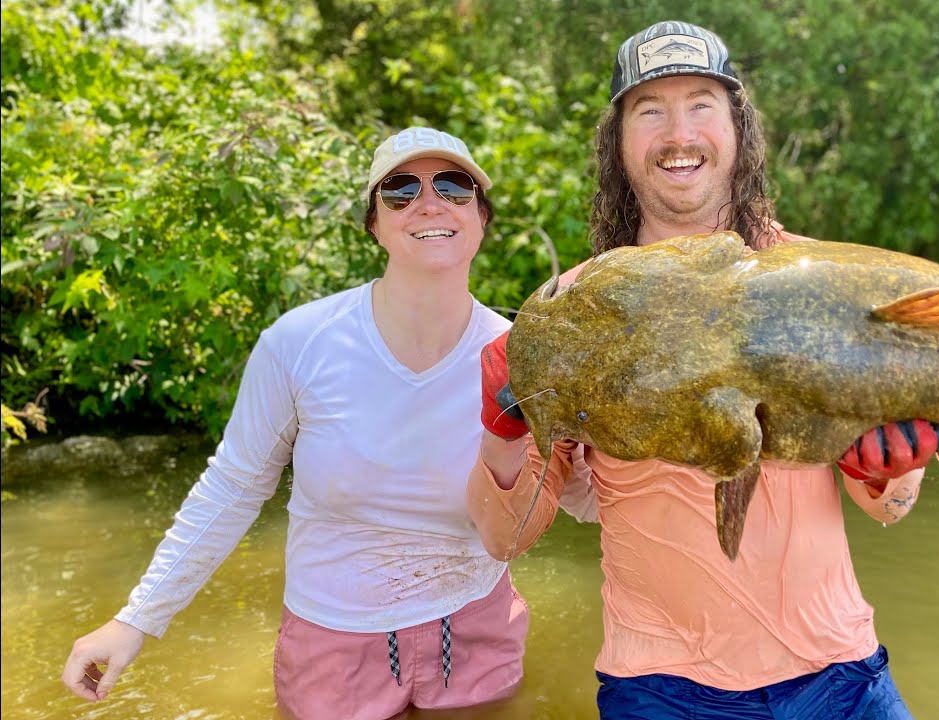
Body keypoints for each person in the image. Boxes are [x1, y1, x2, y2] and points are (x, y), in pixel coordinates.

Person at [467, 20, 939, 720]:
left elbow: (891, 510)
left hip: (843, 676)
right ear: (618, 142)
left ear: (737, 125)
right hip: (662, 690)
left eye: (700, 103)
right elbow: (502, 538)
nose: (678, 132)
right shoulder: (575, 314)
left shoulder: (821, 283)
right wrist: (503, 424)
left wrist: (887, 467)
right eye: (650, 110)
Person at [60, 126, 596, 720]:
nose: (429, 201)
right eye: (399, 189)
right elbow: (232, 488)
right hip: (333, 648)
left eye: (454, 185)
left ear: (481, 216)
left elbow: (581, 497)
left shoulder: (523, 355)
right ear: (373, 224)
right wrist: (137, 618)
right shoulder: (299, 342)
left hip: (475, 636)